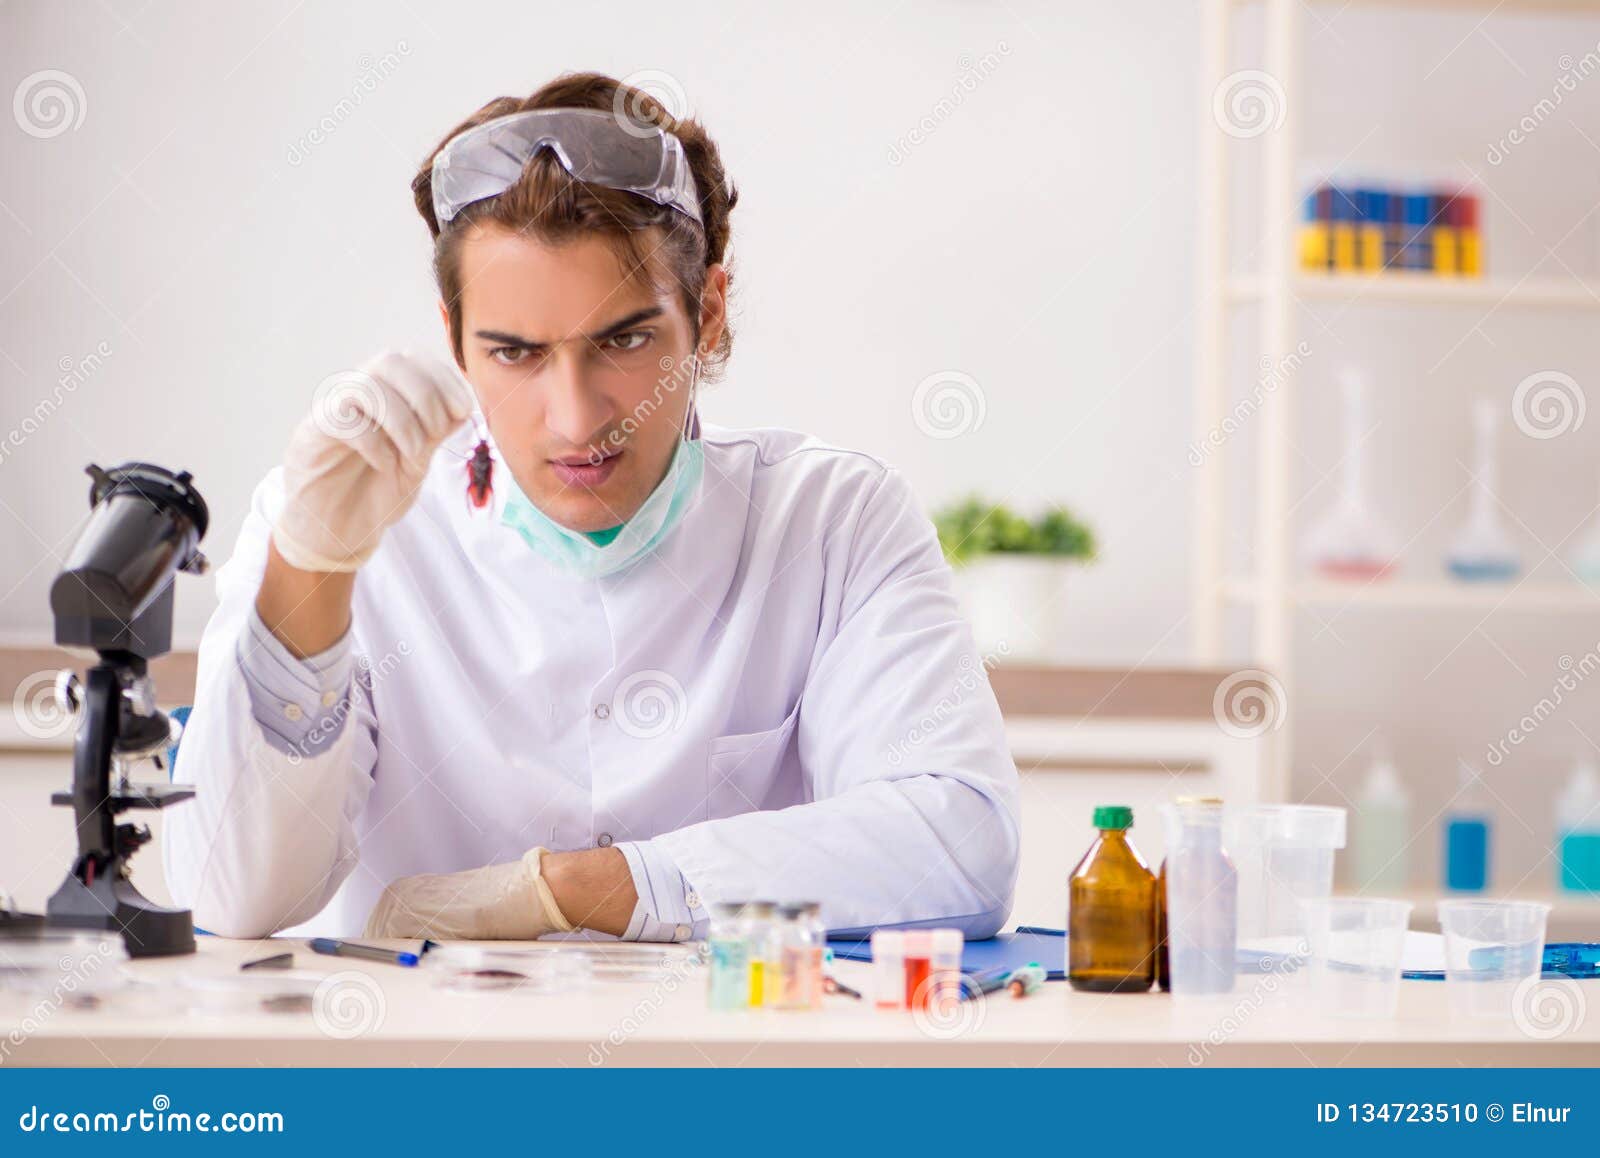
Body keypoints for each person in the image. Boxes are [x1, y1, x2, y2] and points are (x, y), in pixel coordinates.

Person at [163, 72, 1019, 944]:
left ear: (708, 313)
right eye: (515, 353)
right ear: (454, 335)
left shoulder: (833, 521)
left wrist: (572, 891)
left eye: (624, 340)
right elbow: (232, 899)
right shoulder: (340, 518)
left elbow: (961, 844)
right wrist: (311, 573)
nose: (575, 420)